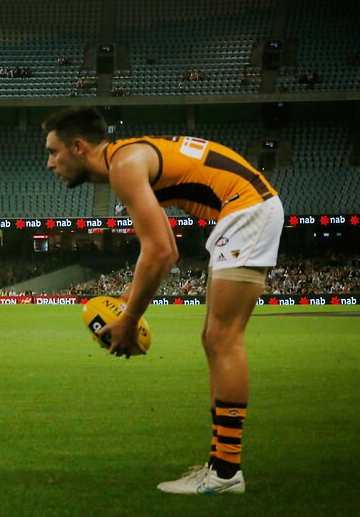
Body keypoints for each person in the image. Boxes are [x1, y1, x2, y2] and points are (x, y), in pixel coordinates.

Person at [42, 106, 284, 495]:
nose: (51, 163)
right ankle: (220, 464)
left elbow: (160, 253)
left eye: (54, 152)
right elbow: (167, 246)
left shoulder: (123, 165)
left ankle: (225, 473)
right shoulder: (128, 157)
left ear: (79, 146)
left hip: (247, 209)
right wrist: (128, 300)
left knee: (223, 340)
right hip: (246, 209)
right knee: (215, 340)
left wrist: (128, 320)